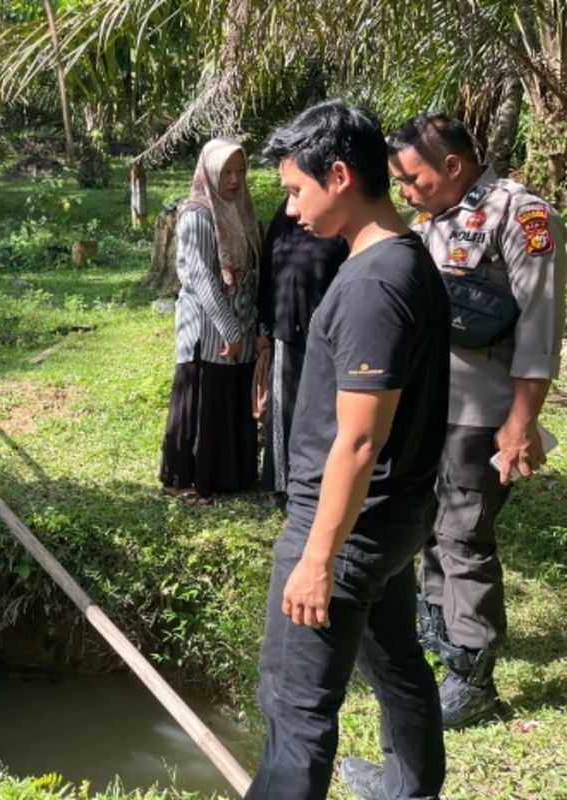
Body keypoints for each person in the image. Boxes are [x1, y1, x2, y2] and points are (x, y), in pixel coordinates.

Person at [247, 100, 448, 800]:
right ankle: (412, 789)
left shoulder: (375, 284)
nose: (294, 212)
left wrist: (317, 559)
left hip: (348, 527)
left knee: (295, 709)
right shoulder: (402, 259)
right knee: (396, 662)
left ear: (338, 176)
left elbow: (359, 441)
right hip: (392, 518)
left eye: (297, 192)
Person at [387, 113, 566, 728]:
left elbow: (541, 329)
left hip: (481, 413)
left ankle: (472, 675)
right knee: (432, 524)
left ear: (453, 167)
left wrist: (521, 422)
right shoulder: (431, 219)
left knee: (464, 535)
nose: (404, 191)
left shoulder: (522, 215)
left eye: (412, 178)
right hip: (430, 407)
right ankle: (439, 629)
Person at [159, 138, 261, 502]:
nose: (234, 180)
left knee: (229, 396)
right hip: (208, 328)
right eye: (226, 172)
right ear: (208, 173)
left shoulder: (241, 210)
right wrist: (229, 328)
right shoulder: (198, 216)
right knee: (204, 394)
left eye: (240, 171)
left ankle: (225, 477)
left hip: (240, 322)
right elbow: (201, 278)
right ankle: (186, 478)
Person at [256, 199, 348, 505]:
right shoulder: (284, 218)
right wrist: (264, 329)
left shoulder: (340, 216)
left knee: (326, 412)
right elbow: (268, 274)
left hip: (330, 334)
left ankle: (325, 482)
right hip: (286, 329)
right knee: (283, 412)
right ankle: (281, 485)